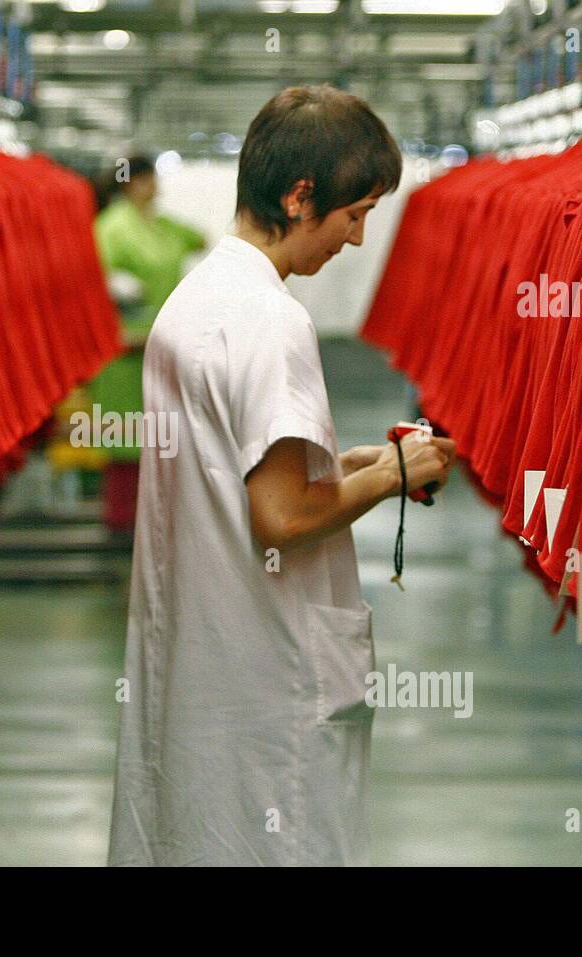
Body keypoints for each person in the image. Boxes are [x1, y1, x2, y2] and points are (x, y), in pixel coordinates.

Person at [108, 86, 456, 866]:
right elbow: (283, 516)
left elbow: (243, 468)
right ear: (302, 197)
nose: (359, 239)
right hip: (264, 679)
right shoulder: (273, 320)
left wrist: (350, 464)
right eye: (355, 213)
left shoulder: (194, 300)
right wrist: (394, 473)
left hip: (204, 667)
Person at [91, 155, 206, 534]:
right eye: (149, 178)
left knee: (162, 436)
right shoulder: (112, 227)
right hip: (125, 348)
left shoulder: (159, 225)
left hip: (162, 344)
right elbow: (97, 281)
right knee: (125, 439)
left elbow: (199, 238)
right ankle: (123, 524)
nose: (156, 185)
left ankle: (156, 519)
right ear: (133, 182)